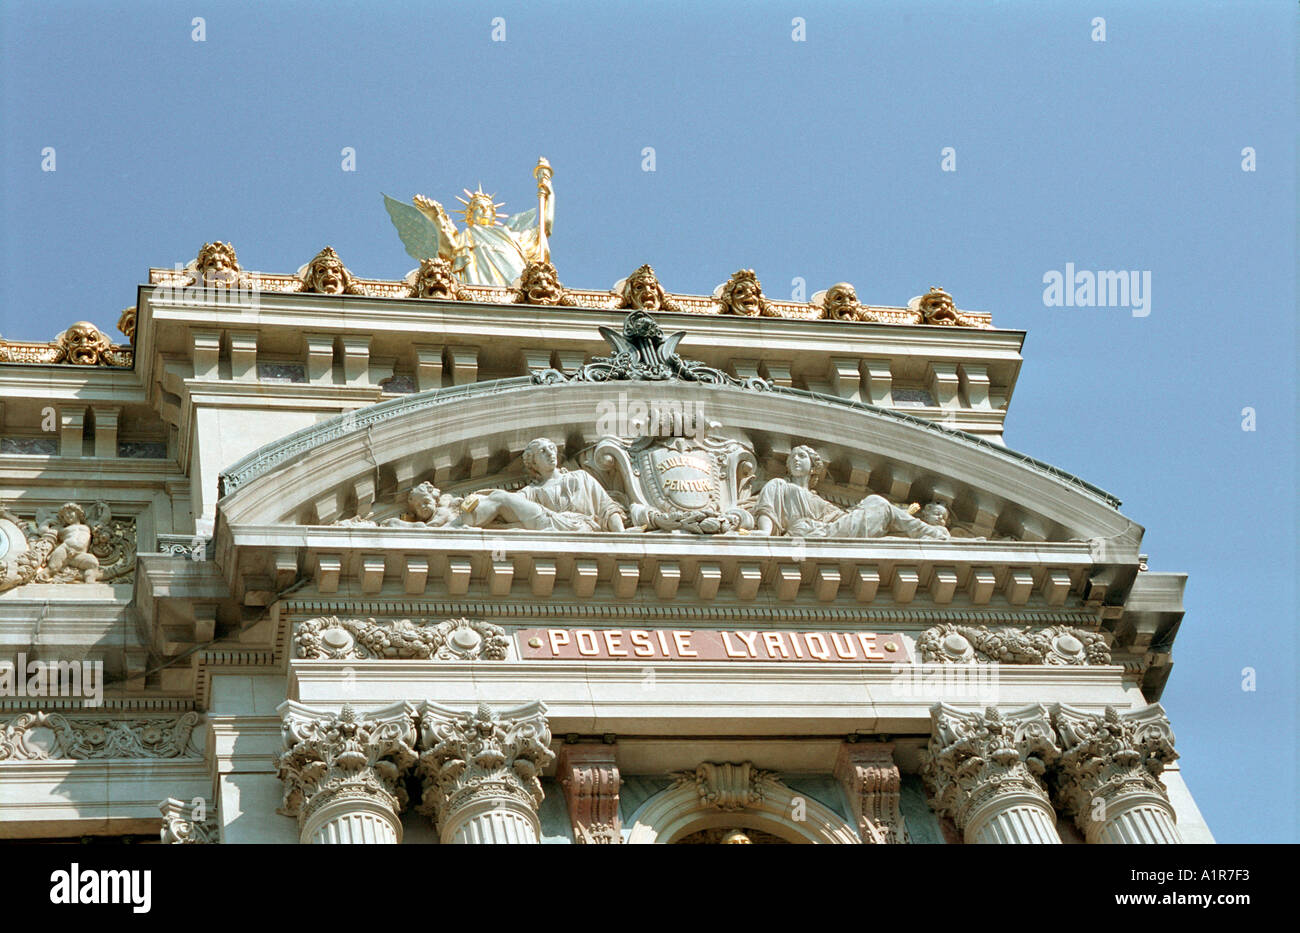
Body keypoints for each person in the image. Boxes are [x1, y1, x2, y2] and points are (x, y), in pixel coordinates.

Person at [753, 446, 950, 540]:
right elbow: (767, 510)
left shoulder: (816, 498)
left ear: (813, 467)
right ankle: (933, 533)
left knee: (875, 502)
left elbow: (840, 516)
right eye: (793, 457)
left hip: (835, 526)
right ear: (787, 466)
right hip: (816, 532)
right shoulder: (779, 485)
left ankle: (923, 532)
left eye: (802, 457)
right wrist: (763, 533)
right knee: (880, 505)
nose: (796, 460)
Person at [451, 438, 626, 532]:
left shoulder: (580, 477)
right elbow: (504, 509)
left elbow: (608, 508)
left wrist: (622, 536)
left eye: (551, 448)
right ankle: (455, 525)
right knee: (498, 498)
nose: (550, 453)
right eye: (543, 451)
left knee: (499, 497)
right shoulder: (532, 492)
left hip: (577, 526)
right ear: (533, 464)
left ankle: (453, 527)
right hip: (550, 523)